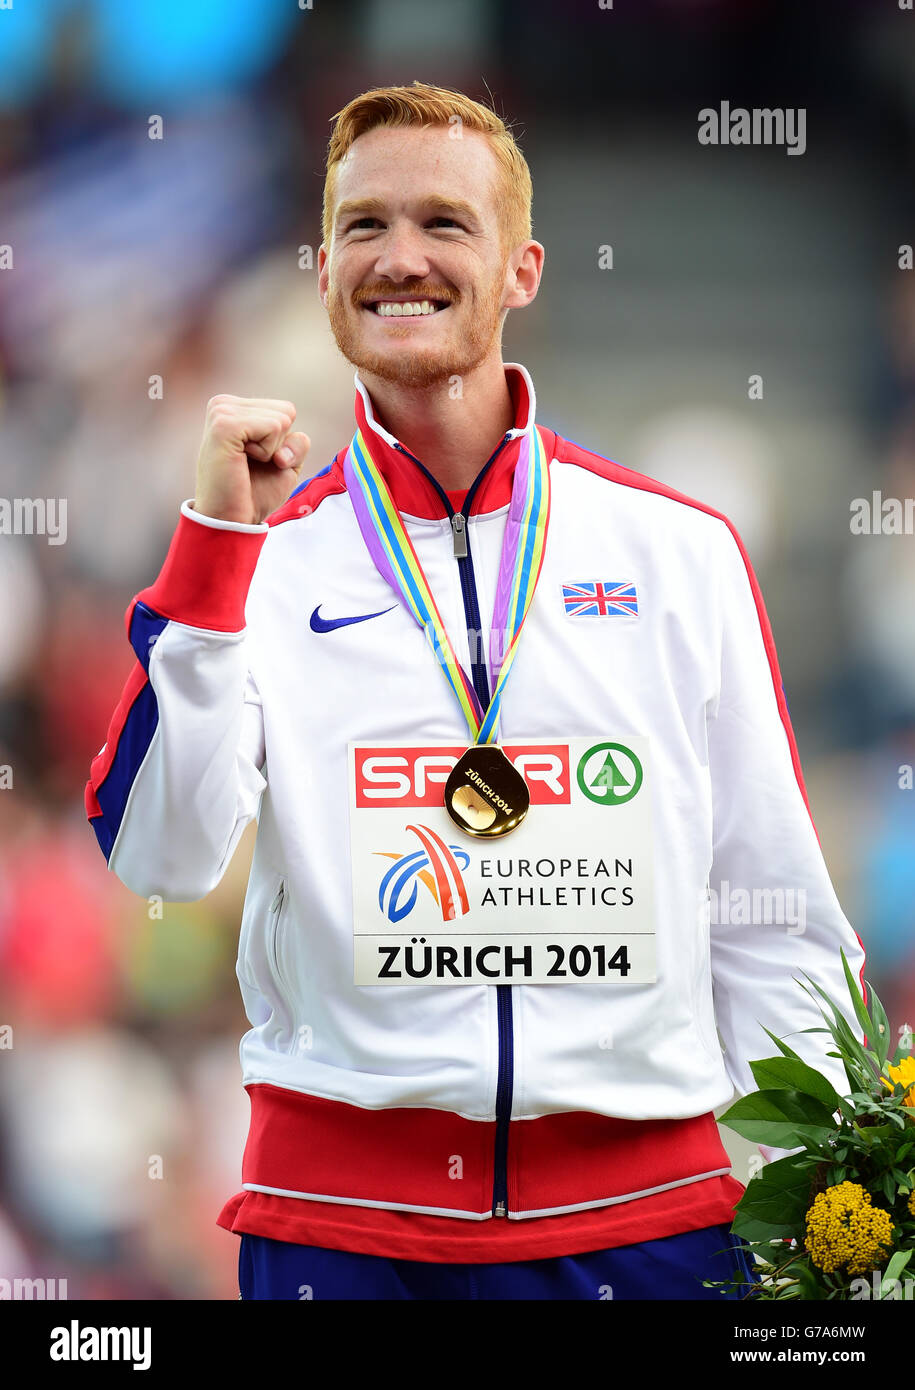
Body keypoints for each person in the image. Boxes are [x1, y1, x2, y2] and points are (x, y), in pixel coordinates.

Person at [85, 81, 866, 1301]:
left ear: (522, 271)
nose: (401, 258)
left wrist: (838, 1190)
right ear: (325, 265)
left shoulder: (676, 551)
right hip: (340, 1231)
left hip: (643, 1220)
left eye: (446, 223)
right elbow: (162, 856)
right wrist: (208, 558)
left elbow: (770, 913)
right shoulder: (262, 564)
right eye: (363, 226)